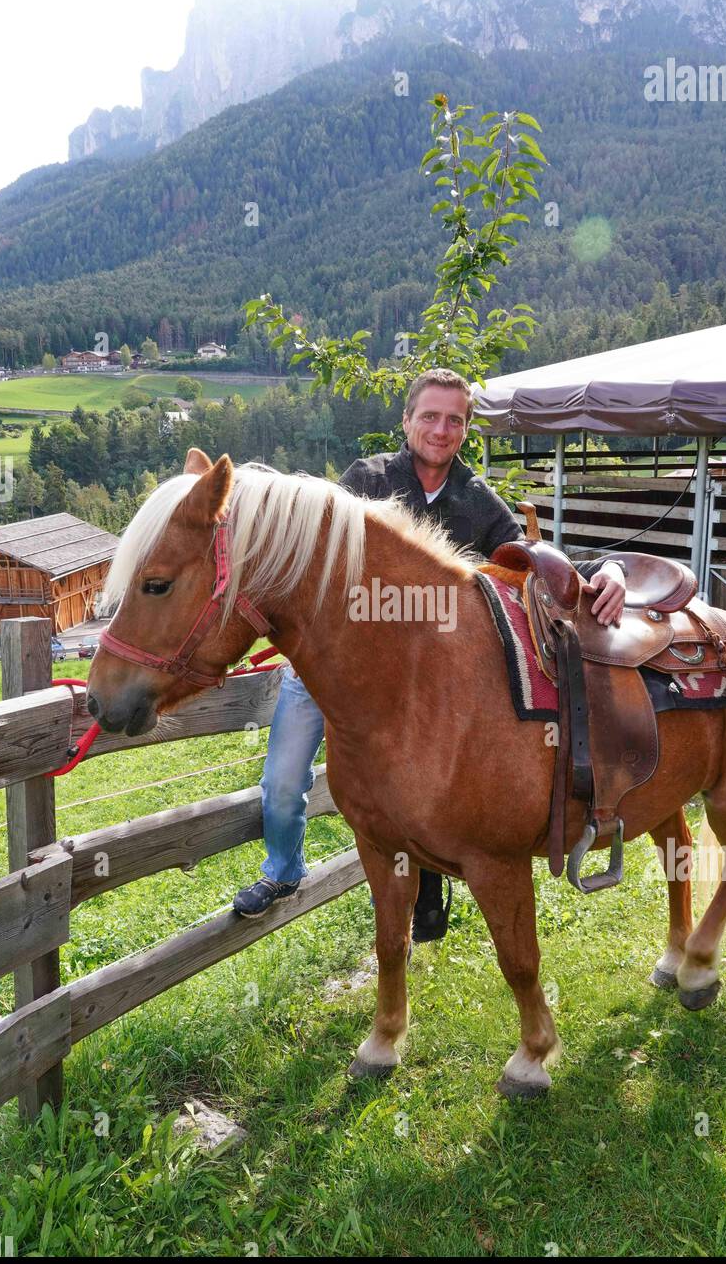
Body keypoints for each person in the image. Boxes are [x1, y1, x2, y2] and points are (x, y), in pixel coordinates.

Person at [233, 368, 627, 938]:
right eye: (430, 417)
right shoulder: (365, 482)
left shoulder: (477, 500)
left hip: (420, 689)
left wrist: (602, 569)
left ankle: (424, 899)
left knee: (424, 794)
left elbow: (526, 562)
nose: (441, 430)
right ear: (407, 420)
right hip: (333, 670)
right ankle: (284, 869)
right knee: (283, 779)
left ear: (465, 429)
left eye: (455, 420)